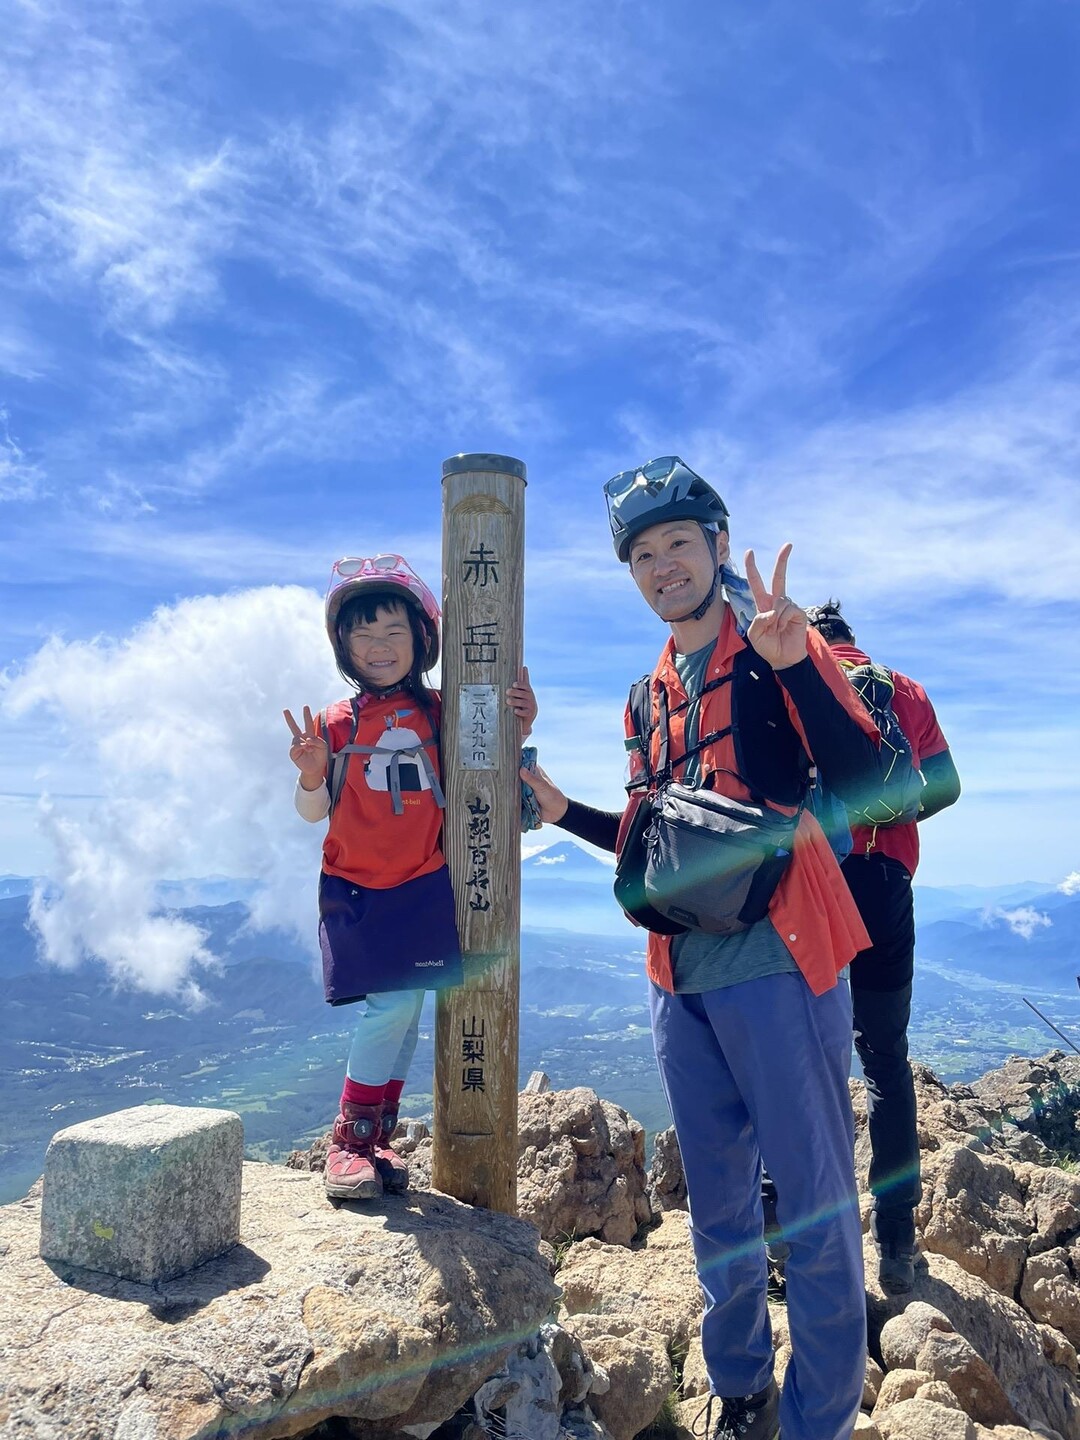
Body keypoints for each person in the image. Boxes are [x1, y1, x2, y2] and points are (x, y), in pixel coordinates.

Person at [521, 457, 895, 1440]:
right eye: (641, 554)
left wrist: (796, 665)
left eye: (677, 542)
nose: (660, 565)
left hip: (784, 960)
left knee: (812, 1205)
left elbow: (864, 778)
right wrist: (560, 811)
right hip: (678, 977)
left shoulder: (778, 651)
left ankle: (820, 1420)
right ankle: (741, 1392)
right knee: (721, 1207)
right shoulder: (647, 699)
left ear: (716, 546)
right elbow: (656, 838)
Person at [285, 553, 534, 1201]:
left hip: (423, 886)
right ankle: (347, 1141)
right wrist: (312, 773)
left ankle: (375, 1139)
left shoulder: (441, 710)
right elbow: (314, 810)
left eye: (394, 632)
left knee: (409, 1011)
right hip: (359, 890)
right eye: (363, 635)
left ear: (422, 639)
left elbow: (486, 759)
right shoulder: (337, 724)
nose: (379, 646)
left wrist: (520, 722)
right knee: (390, 1005)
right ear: (343, 646)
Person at [805, 598, 960, 1295]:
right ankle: (896, 1240)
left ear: (815, 638)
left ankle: (798, 1238)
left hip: (812, 883)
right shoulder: (903, 688)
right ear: (855, 639)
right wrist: (894, 811)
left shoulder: (799, 677)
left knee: (803, 1052)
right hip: (886, 878)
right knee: (885, 1060)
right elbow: (948, 786)